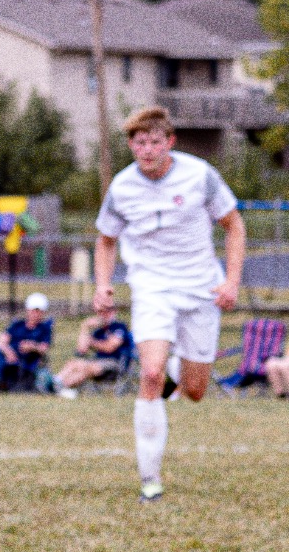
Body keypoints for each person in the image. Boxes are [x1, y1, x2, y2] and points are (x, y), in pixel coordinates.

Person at [94, 104, 244, 502]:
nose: (147, 149)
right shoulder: (122, 187)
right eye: (139, 142)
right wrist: (103, 284)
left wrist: (230, 281)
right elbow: (106, 240)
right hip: (152, 287)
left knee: (195, 390)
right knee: (150, 374)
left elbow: (234, 226)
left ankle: (180, 367)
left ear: (170, 142)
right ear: (130, 145)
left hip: (200, 288)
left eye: (155, 142)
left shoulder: (199, 175)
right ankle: (150, 480)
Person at [0, 294, 54, 392]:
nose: (35, 314)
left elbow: (44, 348)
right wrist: (8, 352)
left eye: (39, 311)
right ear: (28, 310)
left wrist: (32, 346)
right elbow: (0, 342)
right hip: (7, 357)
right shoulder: (17, 325)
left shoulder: (44, 329)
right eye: (33, 310)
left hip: (24, 361)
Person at [54, 305, 132, 397]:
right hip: (97, 363)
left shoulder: (119, 327)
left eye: (107, 311)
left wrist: (92, 342)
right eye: (101, 311)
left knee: (89, 367)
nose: (104, 314)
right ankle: (55, 382)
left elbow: (110, 347)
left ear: (114, 311)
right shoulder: (99, 331)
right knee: (73, 363)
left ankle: (59, 388)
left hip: (115, 364)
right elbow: (81, 350)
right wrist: (85, 327)